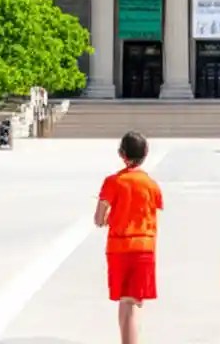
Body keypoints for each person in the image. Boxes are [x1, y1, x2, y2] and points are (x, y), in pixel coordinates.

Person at [95, 131, 164, 344]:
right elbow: (152, 209)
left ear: (121, 154)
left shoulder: (112, 181)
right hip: (144, 247)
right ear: (145, 154)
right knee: (134, 303)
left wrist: (110, 219)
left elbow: (99, 218)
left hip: (118, 247)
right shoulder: (151, 184)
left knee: (125, 302)